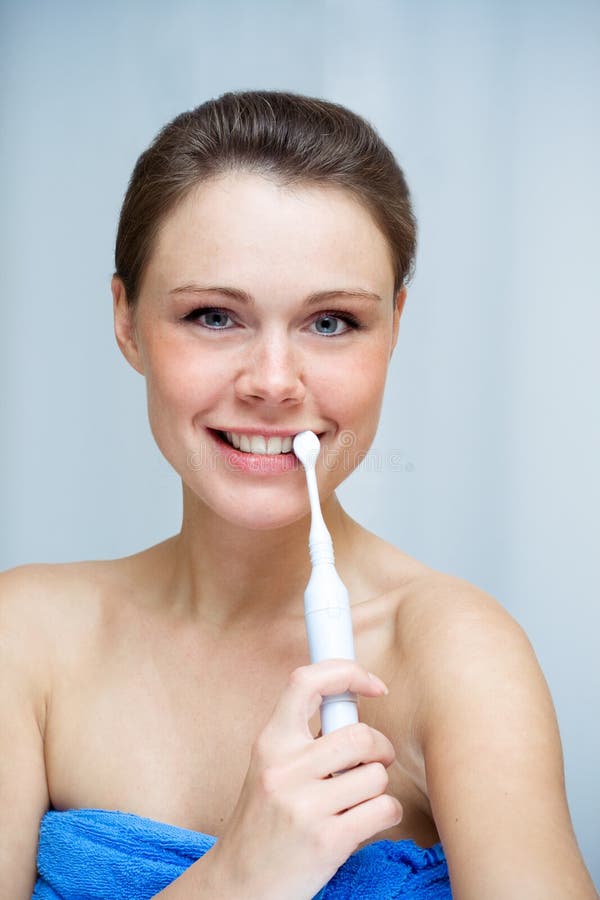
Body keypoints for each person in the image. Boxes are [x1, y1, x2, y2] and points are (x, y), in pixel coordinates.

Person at [0, 90, 596, 900]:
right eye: (213, 316)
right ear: (128, 321)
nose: (274, 384)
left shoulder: (456, 655)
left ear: (394, 327)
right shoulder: (26, 640)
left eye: (331, 323)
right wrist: (239, 879)